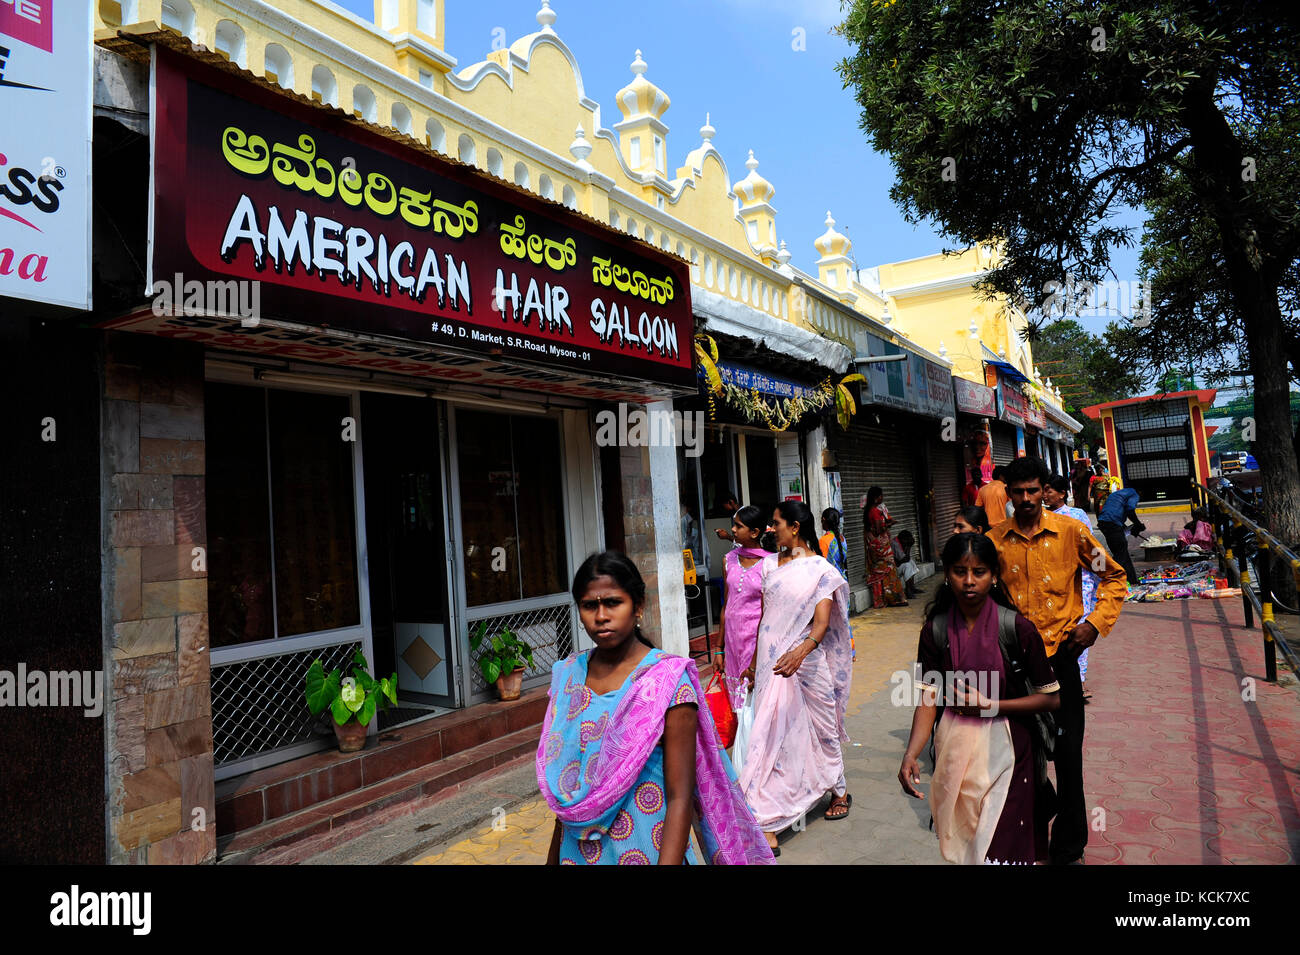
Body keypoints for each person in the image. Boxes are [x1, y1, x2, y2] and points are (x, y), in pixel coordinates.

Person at [539, 551, 774, 865]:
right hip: (576, 853)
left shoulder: (666, 680)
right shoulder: (567, 676)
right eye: (589, 605)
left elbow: (680, 797)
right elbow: (566, 790)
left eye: (613, 603)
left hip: (648, 850)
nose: (601, 616)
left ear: (638, 606)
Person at [987, 456, 1128, 865]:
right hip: (1013, 664)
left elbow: (1114, 577)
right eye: (1019, 492)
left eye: (1034, 490)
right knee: (1018, 754)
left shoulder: (1072, 532)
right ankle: (1026, 832)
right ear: (1008, 495)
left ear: (1044, 491)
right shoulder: (994, 541)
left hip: (1061, 657)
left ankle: (1068, 849)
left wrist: (1094, 625)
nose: (1027, 499)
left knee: (1067, 759)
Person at [899, 533, 1061, 864]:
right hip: (955, 752)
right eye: (960, 571)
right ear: (947, 574)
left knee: (1001, 846)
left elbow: (1051, 699)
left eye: (979, 572)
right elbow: (928, 698)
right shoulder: (936, 630)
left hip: (1011, 751)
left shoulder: (1016, 627)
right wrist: (911, 753)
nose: (969, 581)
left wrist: (992, 707)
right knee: (970, 845)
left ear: (995, 575)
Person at [738, 501, 853, 853]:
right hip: (772, 664)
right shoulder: (769, 565)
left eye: (775, 524)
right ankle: (767, 817)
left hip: (807, 662)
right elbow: (766, 619)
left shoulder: (820, 570)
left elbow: (821, 624)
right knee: (772, 738)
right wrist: (755, 661)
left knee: (824, 731)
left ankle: (838, 789)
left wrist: (799, 653)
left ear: (795, 528)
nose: (770, 530)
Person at [1045, 474, 1099, 701]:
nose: (1045, 495)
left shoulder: (1076, 515)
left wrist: (1098, 576)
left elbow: (1091, 547)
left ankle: (1080, 682)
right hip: (1054, 583)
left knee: (1079, 630)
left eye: (1049, 490)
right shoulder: (1042, 517)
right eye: (1044, 490)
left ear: (1062, 493)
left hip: (1081, 580)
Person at [717, 506, 769, 704]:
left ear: (755, 532)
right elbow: (726, 604)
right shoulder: (728, 560)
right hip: (732, 644)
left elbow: (769, 613)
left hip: (757, 643)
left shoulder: (769, 563)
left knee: (756, 701)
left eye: (739, 526)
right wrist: (718, 649)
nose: (733, 529)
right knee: (737, 705)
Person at [863, 486, 908, 607]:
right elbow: (879, 530)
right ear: (875, 498)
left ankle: (880, 600)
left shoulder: (869, 511)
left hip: (874, 546)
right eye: (880, 496)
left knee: (878, 573)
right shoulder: (876, 512)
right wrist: (889, 524)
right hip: (881, 547)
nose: (882, 498)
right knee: (889, 571)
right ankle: (893, 598)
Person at [1096, 485, 1145, 585]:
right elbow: (1130, 510)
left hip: (1104, 523)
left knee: (1121, 551)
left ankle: (1132, 580)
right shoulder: (1134, 493)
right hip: (1111, 524)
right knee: (1120, 554)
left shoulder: (1118, 494)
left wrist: (1128, 528)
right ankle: (1110, 580)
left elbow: (1113, 512)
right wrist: (1138, 524)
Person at [818, 508, 849, 580]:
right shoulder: (842, 538)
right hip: (842, 579)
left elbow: (822, 565)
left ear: (823, 519)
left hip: (831, 582)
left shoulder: (824, 540)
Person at [893, 529, 920, 599]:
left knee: (911, 562)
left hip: (897, 564)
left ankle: (912, 588)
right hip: (892, 570)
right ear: (902, 539)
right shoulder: (895, 544)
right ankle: (908, 591)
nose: (907, 542)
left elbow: (906, 559)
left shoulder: (900, 542)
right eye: (906, 541)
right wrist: (909, 546)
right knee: (907, 565)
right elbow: (904, 559)